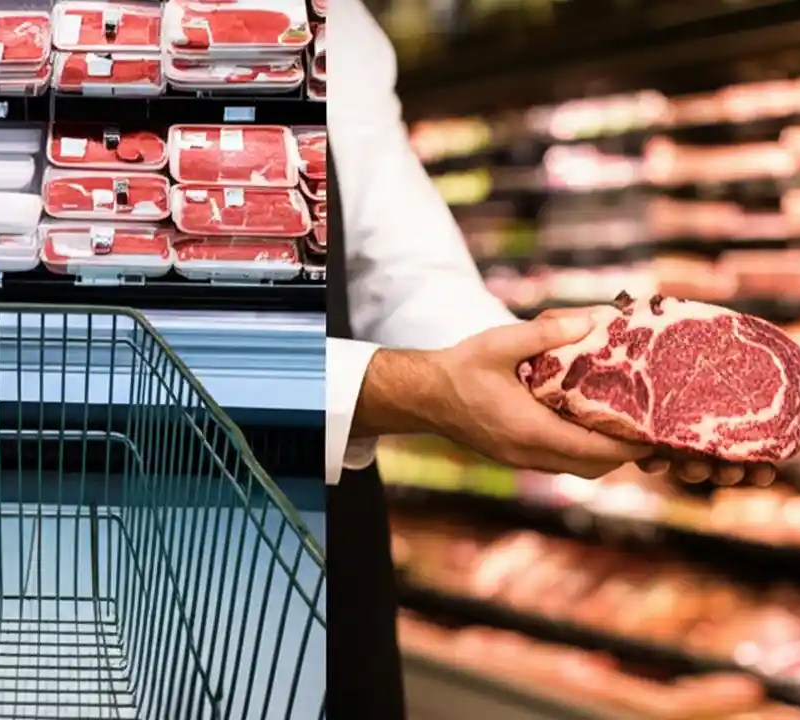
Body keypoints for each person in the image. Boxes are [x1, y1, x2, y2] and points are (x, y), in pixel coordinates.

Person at [325, 0, 763, 715]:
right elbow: (120, 353)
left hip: (325, 542)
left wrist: (555, 375)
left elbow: (402, 275)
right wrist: (413, 390)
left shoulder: (336, 21)